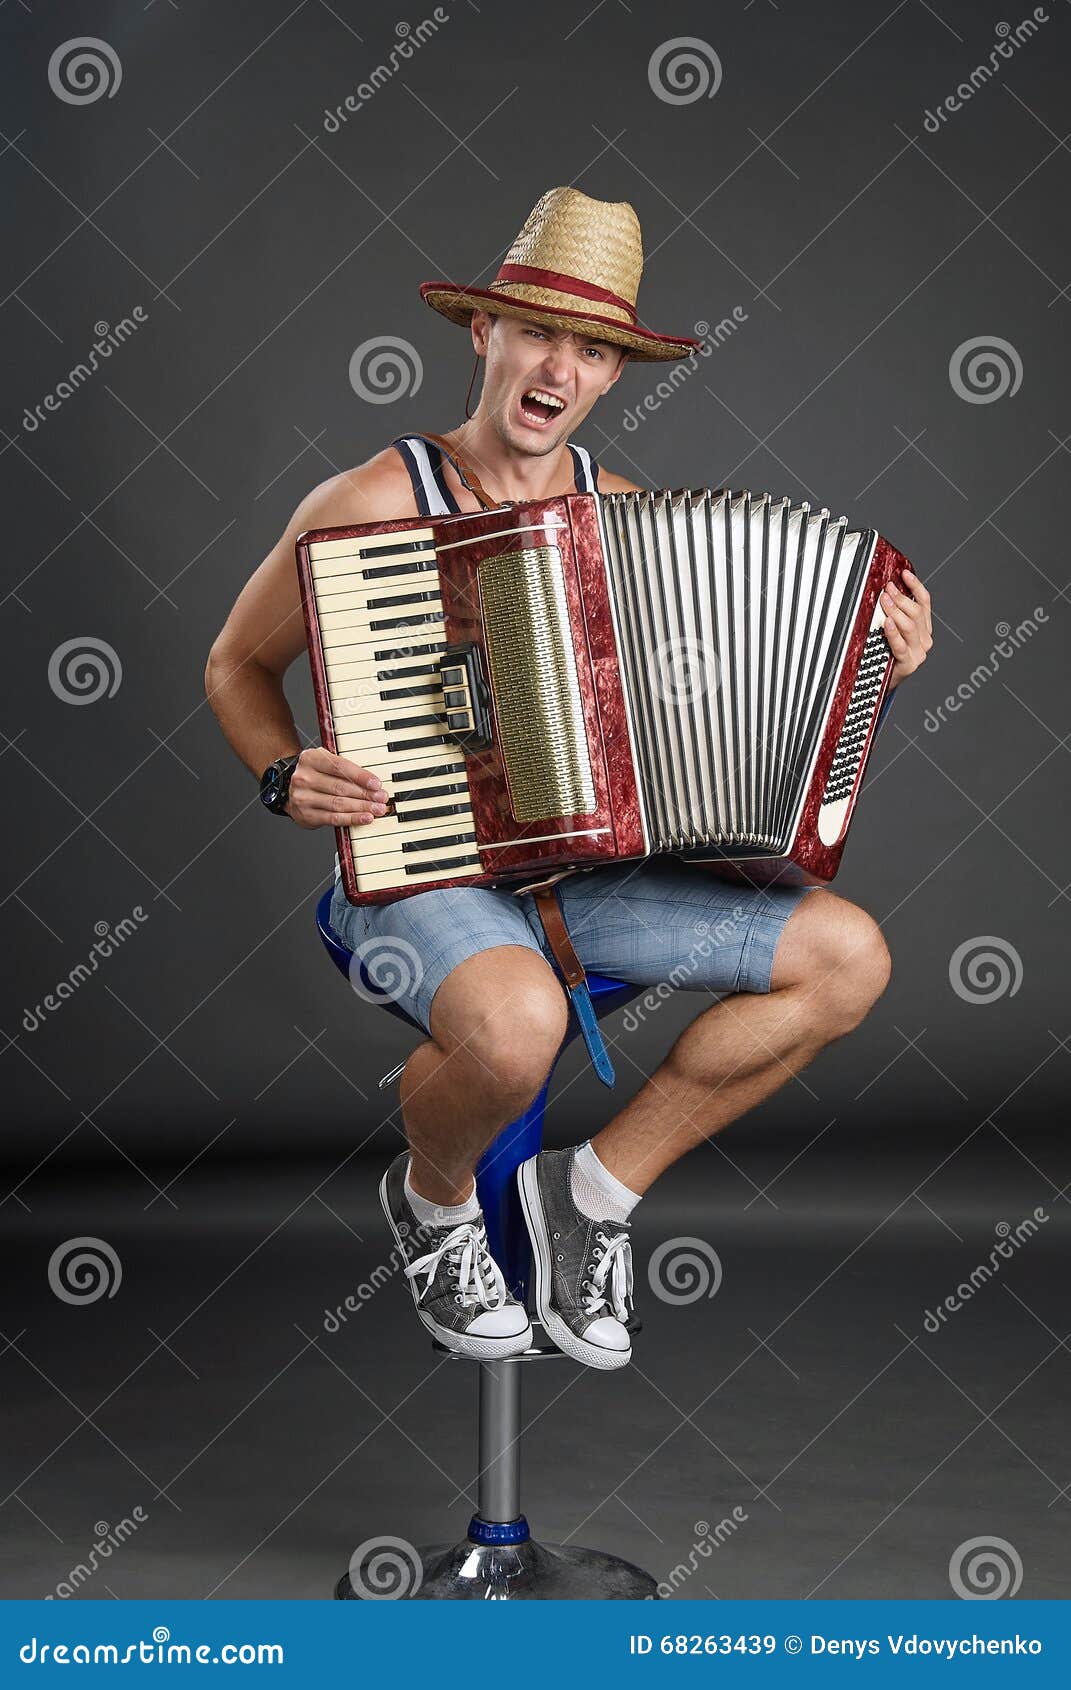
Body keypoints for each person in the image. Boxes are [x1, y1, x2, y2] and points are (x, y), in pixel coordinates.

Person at [205, 187, 932, 1374]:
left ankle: (592, 1196)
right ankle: (434, 1205)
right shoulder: (377, 503)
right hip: (418, 872)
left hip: (587, 883)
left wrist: (875, 669)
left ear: (610, 376)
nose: (560, 365)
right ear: (482, 334)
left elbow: (733, 725)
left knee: (849, 957)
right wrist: (285, 773)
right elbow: (237, 664)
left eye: (592, 348)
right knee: (522, 1022)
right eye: (538, 331)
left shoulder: (633, 524)